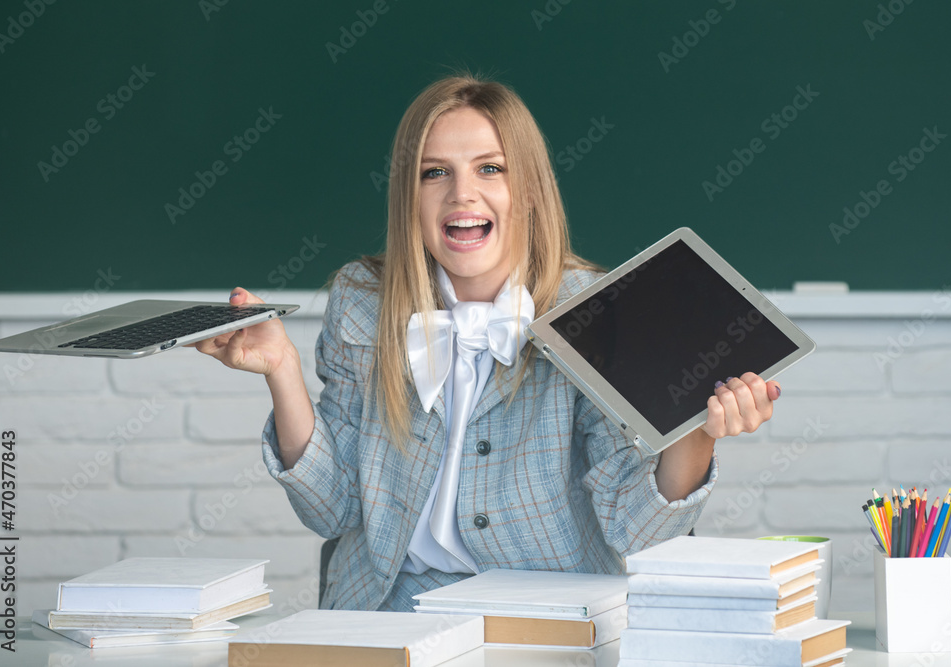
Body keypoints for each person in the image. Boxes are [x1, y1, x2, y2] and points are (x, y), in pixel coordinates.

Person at [194, 74, 781, 612]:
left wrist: (697, 431)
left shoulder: (590, 309)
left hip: (546, 622)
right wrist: (283, 372)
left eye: (490, 169)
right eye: (435, 172)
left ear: (527, 190)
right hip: (387, 618)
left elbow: (635, 528)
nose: (461, 194)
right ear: (410, 197)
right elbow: (333, 508)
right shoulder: (363, 300)